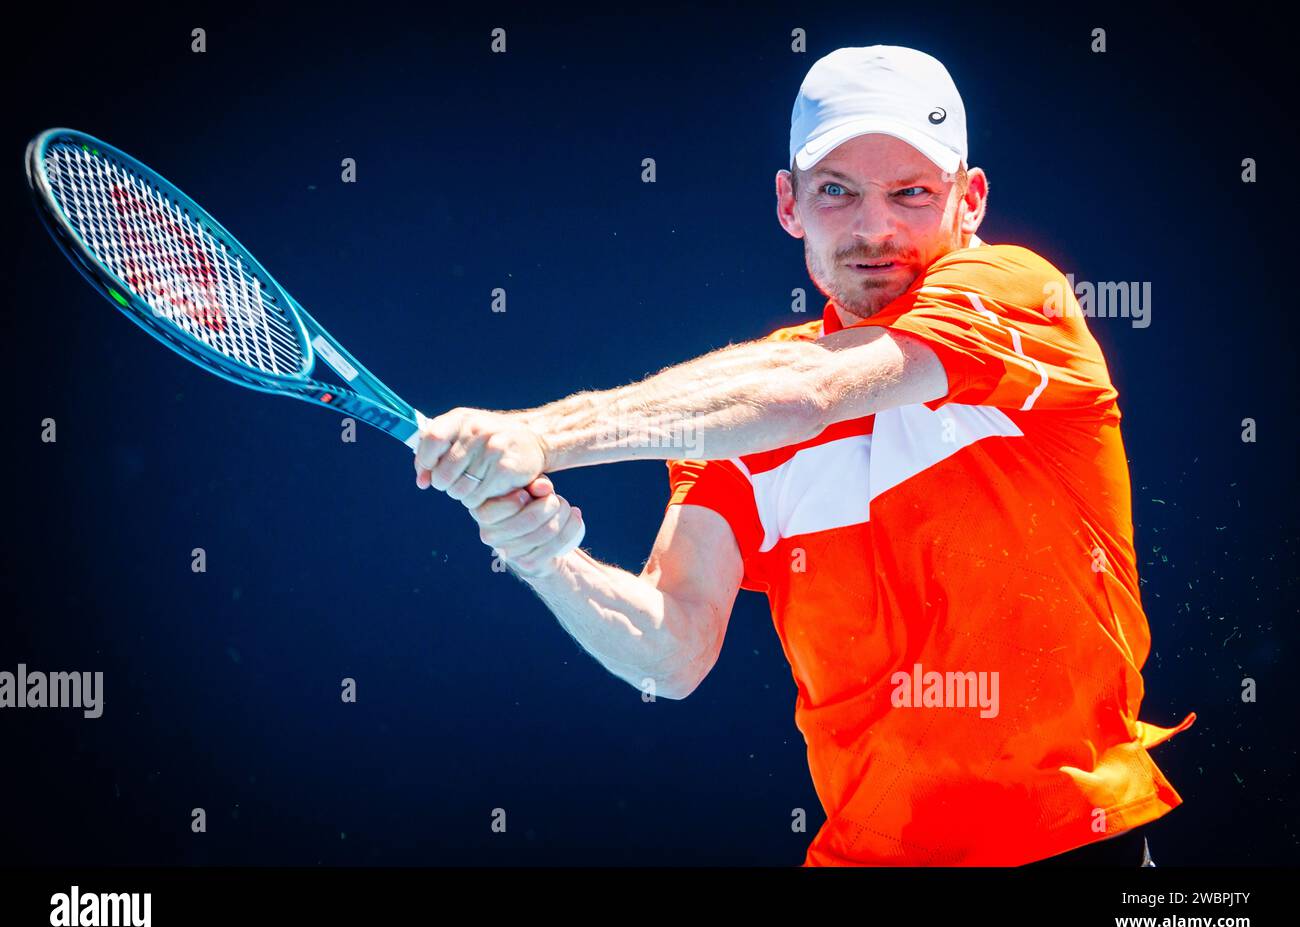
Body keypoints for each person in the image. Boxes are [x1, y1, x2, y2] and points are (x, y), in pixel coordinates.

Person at [410, 45, 1196, 866]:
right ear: (789, 204)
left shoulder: (1019, 295)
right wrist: (548, 558)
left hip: (1077, 842)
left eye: (912, 194)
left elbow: (805, 391)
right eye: (837, 192)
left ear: (971, 201)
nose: (874, 228)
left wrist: (544, 435)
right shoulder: (737, 424)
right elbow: (672, 654)